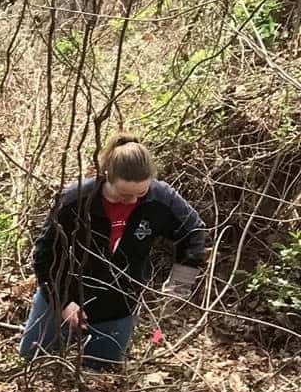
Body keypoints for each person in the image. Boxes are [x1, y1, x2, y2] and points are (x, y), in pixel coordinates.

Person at [19, 136, 208, 368]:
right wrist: (64, 301)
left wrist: (179, 285)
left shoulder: (162, 198)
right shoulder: (75, 199)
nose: (132, 200)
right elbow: (43, 256)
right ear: (106, 176)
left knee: (100, 374)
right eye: (124, 194)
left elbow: (194, 232)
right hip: (65, 292)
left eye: (141, 193)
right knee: (33, 361)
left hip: (119, 301)